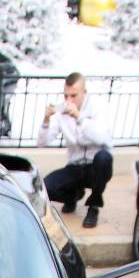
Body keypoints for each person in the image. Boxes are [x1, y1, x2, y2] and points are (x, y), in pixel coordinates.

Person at [38, 73, 113, 229]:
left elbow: (101, 137)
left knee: (104, 158)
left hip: (95, 166)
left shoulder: (97, 108)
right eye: (66, 95)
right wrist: (46, 120)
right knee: (45, 188)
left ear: (84, 93)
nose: (69, 100)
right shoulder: (62, 112)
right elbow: (42, 142)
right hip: (75, 166)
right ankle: (72, 197)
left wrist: (79, 117)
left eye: (73, 95)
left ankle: (94, 206)